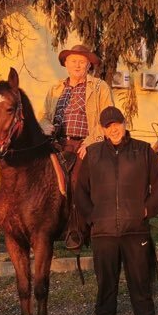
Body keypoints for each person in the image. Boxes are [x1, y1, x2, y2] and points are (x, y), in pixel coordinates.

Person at [75, 106, 158, 315]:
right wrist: (92, 217)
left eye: (116, 123)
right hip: (103, 233)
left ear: (124, 123)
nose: (113, 129)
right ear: (102, 129)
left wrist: (146, 210)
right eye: (108, 126)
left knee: (141, 287)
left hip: (135, 230)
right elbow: (80, 191)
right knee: (106, 288)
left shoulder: (144, 151)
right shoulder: (93, 154)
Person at [39, 43, 115, 250]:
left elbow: (108, 117)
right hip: (58, 143)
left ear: (89, 65)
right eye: (73, 61)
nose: (77, 65)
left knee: (75, 180)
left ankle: (75, 229)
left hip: (85, 143)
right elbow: (44, 116)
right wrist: (45, 126)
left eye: (82, 62)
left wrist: (90, 142)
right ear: (66, 64)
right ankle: (42, 227)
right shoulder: (56, 89)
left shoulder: (99, 87)